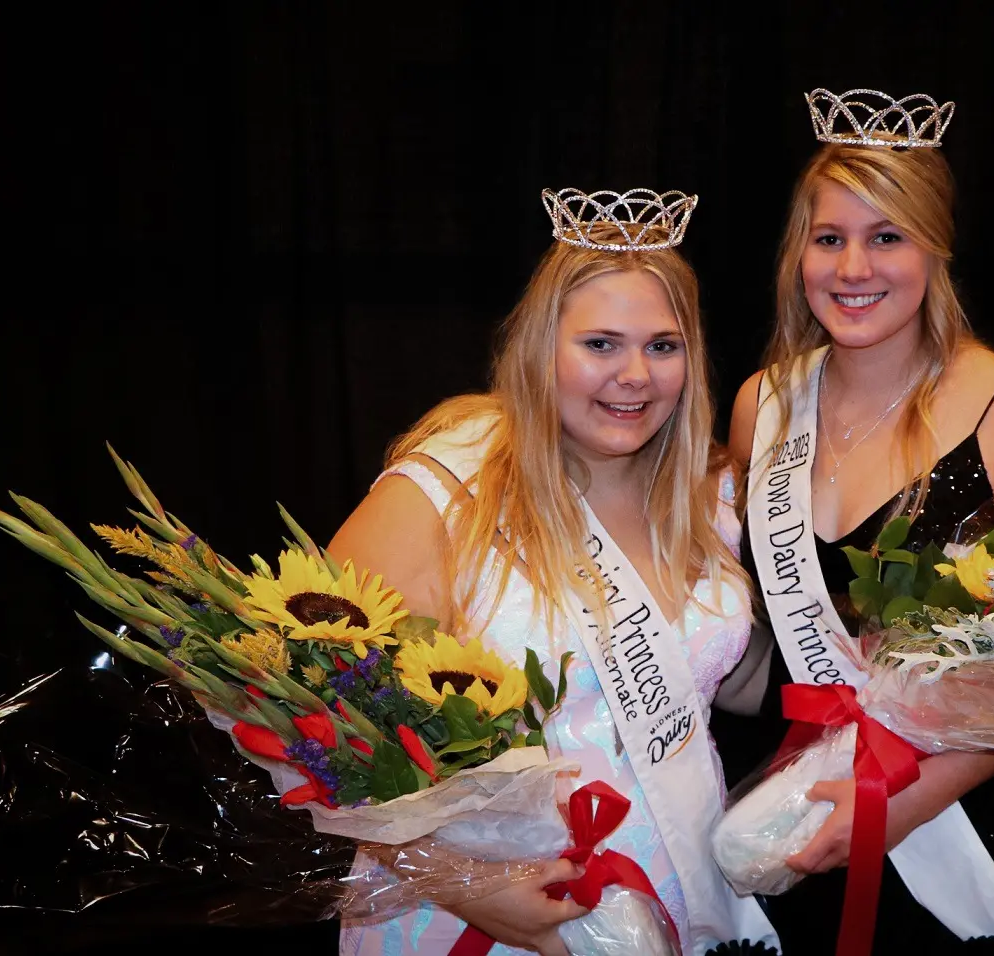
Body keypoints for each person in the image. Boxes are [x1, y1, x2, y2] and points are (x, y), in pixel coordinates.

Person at [327, 187, 777, 956]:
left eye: (663, 346)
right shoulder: (446, 492)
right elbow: (308, 724)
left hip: (682, 901)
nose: (635, 374)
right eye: (601, 344)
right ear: (542, 347)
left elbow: (733, 683)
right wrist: (458, 880)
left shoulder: (711, 498)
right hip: (483, 916)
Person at [716, 90, 994, 956]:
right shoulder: (761, 406)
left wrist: (896, 808)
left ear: (936, 248)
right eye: (829, 238)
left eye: (887, 237)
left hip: (968, 827)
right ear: (796, 253)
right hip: (803, 812)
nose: (854, 268)